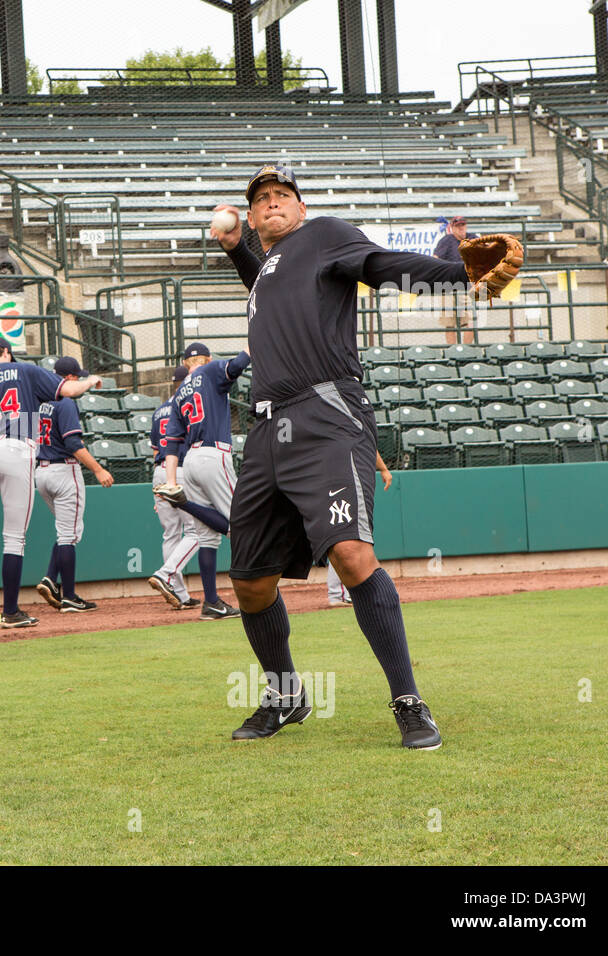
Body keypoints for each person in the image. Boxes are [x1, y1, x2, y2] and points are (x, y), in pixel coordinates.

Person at [209, 162, 464, 749]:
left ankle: (408, 699)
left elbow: (382, 265)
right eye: (261, 199)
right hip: (266, 430)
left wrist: (456, 273)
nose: (272, 201)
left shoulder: (323, 235)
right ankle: (286, 694)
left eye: (282, 195)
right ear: (251, 219)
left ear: (299, 208)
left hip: (324, 411)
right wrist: (235, 251)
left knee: (351, 556)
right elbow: (271, 288)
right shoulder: (269, 266)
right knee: (249, 582)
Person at [0, 336, 102, 628]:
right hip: (18, 450)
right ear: (7, 352)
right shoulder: (24, 370)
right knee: (13, 538)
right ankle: (11, 611)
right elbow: (70, 389)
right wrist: (91, 379)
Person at [147, 341, 249, 621]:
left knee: (207, 537)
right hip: (214, 454)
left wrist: (170, 481)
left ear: (185, 363)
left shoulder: (179, 393)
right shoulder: (212, 369)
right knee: (243, 524)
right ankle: (255, 591)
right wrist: (256, 341)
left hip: (187, 461)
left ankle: (212, 603)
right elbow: (239, 364)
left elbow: (170, 443)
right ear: (206, 358)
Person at [33, 356, 113, 613]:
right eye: (77, 377)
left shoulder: (40, 401)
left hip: (41, 472)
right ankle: (69, 596)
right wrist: (98, 469)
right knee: (70, 534)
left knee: (65, 531)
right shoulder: (64, 402)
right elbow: (74, 445)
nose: (78, 380)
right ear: (67, 378)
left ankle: (50, 579)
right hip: (63, 469)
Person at [148, 366, 200, 610]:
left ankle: (179, 593)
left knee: (170, 533)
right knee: (196, 532)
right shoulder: (187, 404)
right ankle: (166, 574)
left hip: (160, 471)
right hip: (179, 469)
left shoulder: (159, 410)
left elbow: (155, 450)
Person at [328, 451, 391, 606]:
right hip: (340, 484)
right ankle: (338, 594)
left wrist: (383, 469)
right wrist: (383, 469)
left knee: (344, 538)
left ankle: (339, 593)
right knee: (345, 538)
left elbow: (367, 443)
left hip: (343, 482)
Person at [433, 216, 478, 345]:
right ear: (452, 228)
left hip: (467, 285)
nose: (461, 228)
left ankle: (466, 349)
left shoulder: (472, 238)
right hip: (448, 285)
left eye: (463, 225)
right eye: (458, 226)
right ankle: (453, 351)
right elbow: (435, 259)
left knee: (471, 320)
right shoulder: (446, 241)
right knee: (449, 322)